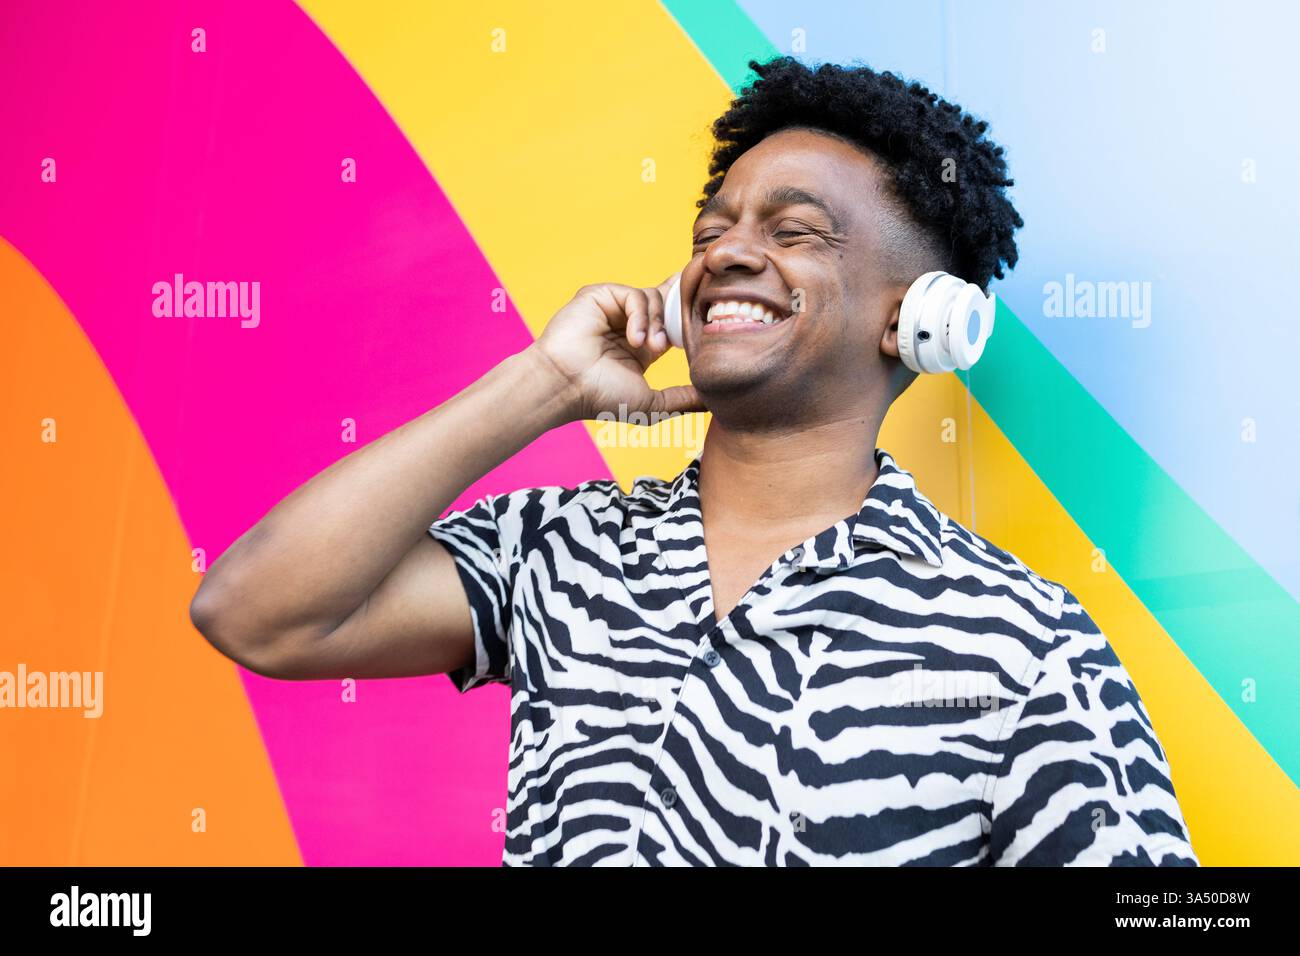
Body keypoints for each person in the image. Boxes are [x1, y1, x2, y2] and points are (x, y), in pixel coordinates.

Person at [190, 56, 1198, 866]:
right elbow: (254, 610)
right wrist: (547, 383)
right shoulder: (563, 548)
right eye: (712, 229)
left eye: (793, 231)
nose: (725, 250)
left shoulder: (1019, 639)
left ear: (920, 318)